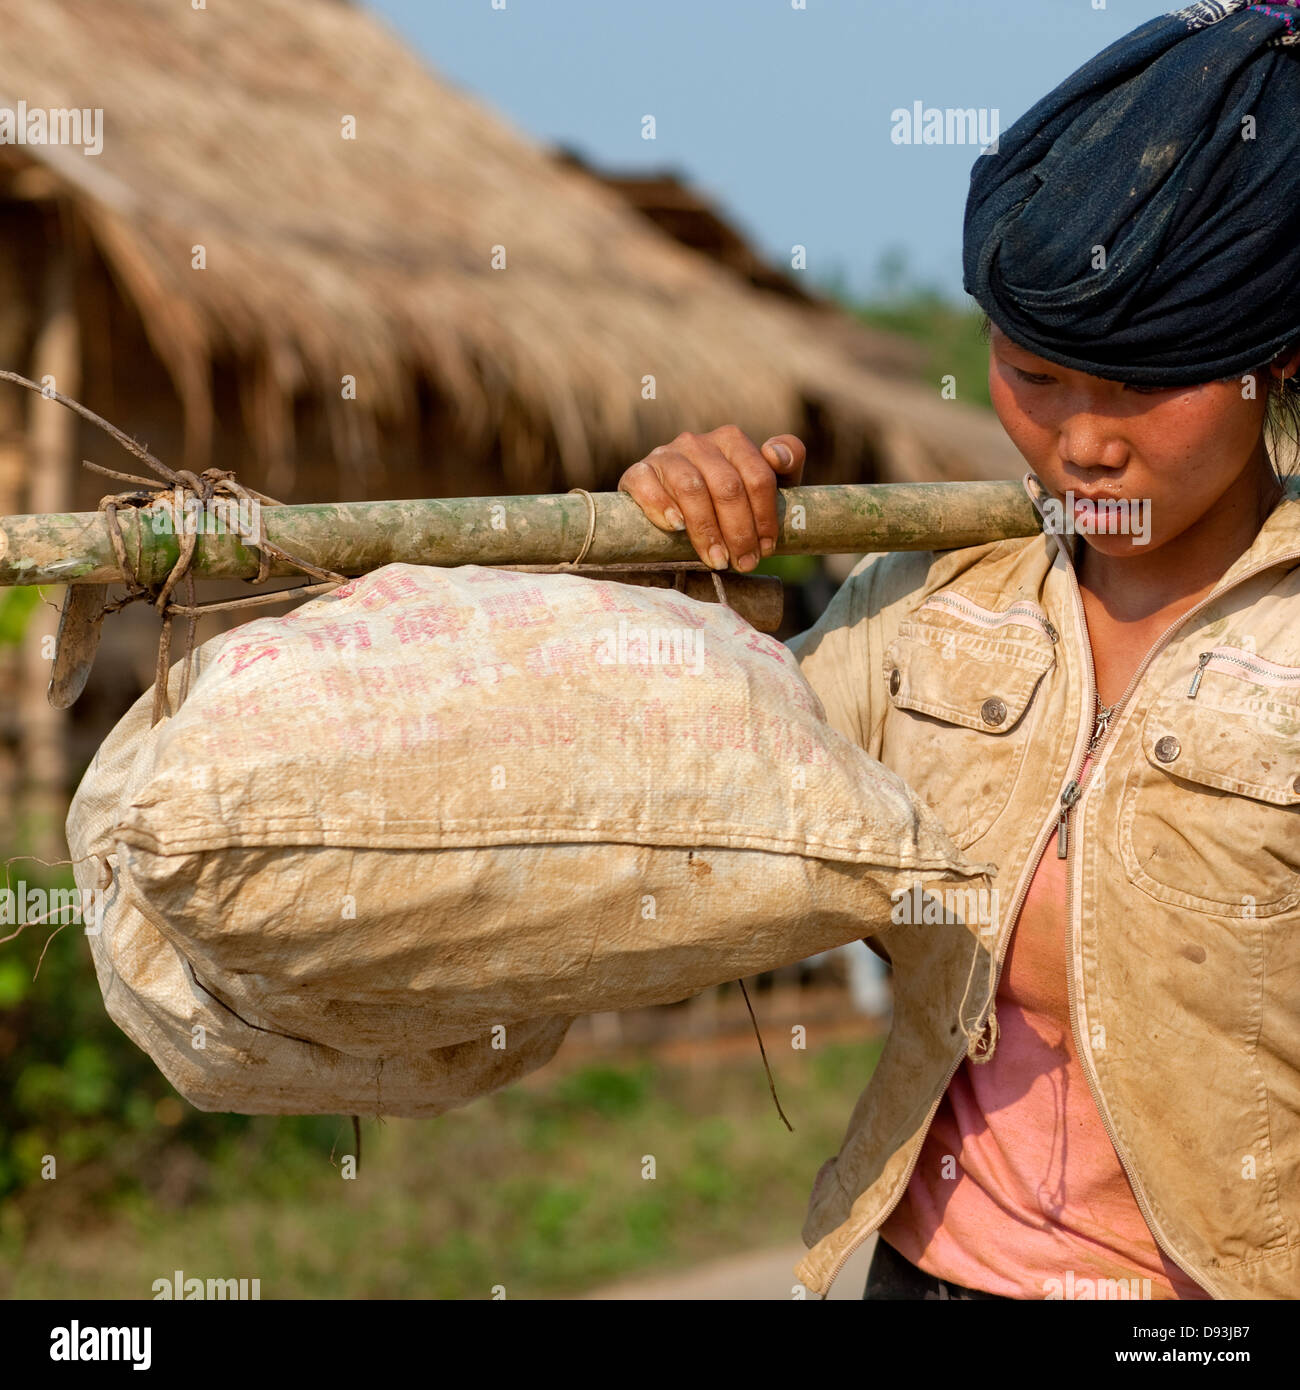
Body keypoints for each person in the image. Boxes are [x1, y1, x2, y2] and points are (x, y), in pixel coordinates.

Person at [617, 0, 1300, 1300]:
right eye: (1035, 377)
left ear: (1275, 361)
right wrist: (694, 575)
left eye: (1143, 387)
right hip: (929, 1272)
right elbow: (692, 810)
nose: (1084, 445)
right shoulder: (926, 606)